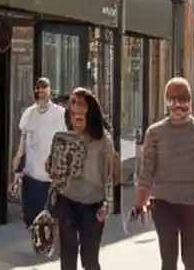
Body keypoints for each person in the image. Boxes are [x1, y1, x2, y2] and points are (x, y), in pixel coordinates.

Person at [135, 77, 194, 270]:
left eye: (183, 99)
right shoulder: (155, 132)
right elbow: (146, 170)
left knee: (191, 259)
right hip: (162, 202)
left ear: (190, 100)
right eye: (172, 99)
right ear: (166, 101)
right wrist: (140, 202)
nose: (177, 104)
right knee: (168, 259)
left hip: (192, 203)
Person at [51, 88, 118, 270]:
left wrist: (107, 204)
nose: (76, 120)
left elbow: (109, 175)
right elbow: (55, 170)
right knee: (67, 258)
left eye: (81, 116)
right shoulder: (64, 137)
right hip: (67, 202)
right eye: (73, 115)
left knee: (89, 259)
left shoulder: (103, 140)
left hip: (93, 203)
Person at [13, 77, 68, 228]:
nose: (41, 91)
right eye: (38, 88)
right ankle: (39, 240)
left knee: (50, 214)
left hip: (51, 175)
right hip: (31, 173)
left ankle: (49, 241)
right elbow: (22, 143)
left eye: (44, 88)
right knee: (31, 216)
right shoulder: (28, 114)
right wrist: (16, 167)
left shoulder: (60, 114)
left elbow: (66, 142)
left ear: (50, 90)